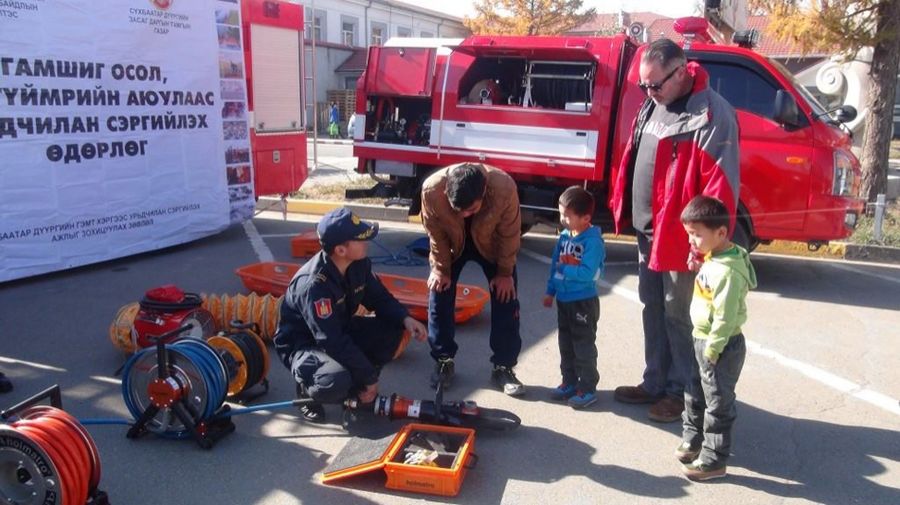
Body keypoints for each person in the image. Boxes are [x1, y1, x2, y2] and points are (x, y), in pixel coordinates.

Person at [609, 38, 740, 423]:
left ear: (681, 71)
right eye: (643, 86)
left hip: (682, 239)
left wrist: (705, 248)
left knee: (680, 316)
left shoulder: (713, 115)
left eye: (656, 85)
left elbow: (720, 188)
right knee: (654, 308)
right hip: (649, 230)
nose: (648, 92)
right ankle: (655, 381)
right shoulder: (655, 102)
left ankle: (684, 394)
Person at [274, 207, 427, 423]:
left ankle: (359, 385)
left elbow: (379, 298)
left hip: (338, 329)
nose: (366, 242)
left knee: (393, 328)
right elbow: (331, 340)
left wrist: (406, 318)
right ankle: (307, 391)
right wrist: (370, 377)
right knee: (335, 381)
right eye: (360, 239)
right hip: (305, 344)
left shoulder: (359, 264)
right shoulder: (313, 286)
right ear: (341, 250)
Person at [421, 162, 525, 396]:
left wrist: (505, 273)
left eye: (470, 209)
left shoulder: (504, 187)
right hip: (451, 246)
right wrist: (439, 269)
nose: (463, 215)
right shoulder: (431, 190)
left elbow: (510, 233)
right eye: (457, 209)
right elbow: (434, 232)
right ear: (447, 190)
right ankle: (444, 360)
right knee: (439, 291)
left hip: (493, 245)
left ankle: (503, 366)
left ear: (484, 190)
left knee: (506, 297)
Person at [676, 195, 756, 481]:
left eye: (697, 235)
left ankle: (714, 459)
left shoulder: (729, 272)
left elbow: (725, 316)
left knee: (718, 403)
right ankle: (693, 438)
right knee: (694, 391)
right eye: (690, 235)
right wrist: (700, 265)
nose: (692, 241)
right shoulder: (715, 257)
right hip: (702, 339)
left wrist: (714, 347)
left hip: (719, 345)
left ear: (721, 233)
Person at [542, 186, 606, 409]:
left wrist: (565, 269)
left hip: (583, 302)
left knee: (583, 345)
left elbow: (587, 273)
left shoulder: (593, 242)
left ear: (586, 218)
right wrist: (551, 290)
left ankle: (587, 387)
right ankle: (569, 381)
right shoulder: (564, 237)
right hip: (564, 300)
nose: (562, 220)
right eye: (561, 214)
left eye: (567, 216)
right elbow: (554, 267)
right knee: (566, 344)